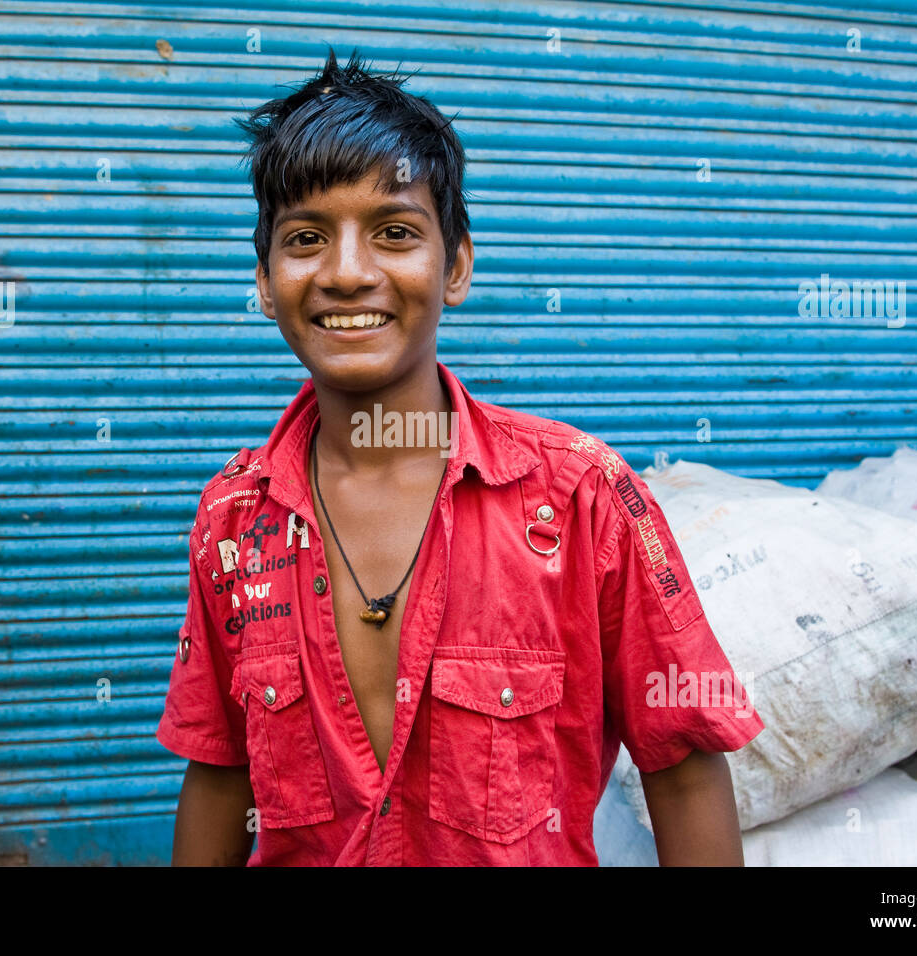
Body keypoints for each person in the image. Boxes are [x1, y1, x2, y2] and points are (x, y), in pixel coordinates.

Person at [157, 49, 764, 866]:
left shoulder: (582, 496)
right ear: (265, 281)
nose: (346, 273)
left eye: (395, 233)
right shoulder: (234, 517)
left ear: (458, 266)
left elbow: (686, 773)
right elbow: (221, 777)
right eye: (305, 239)